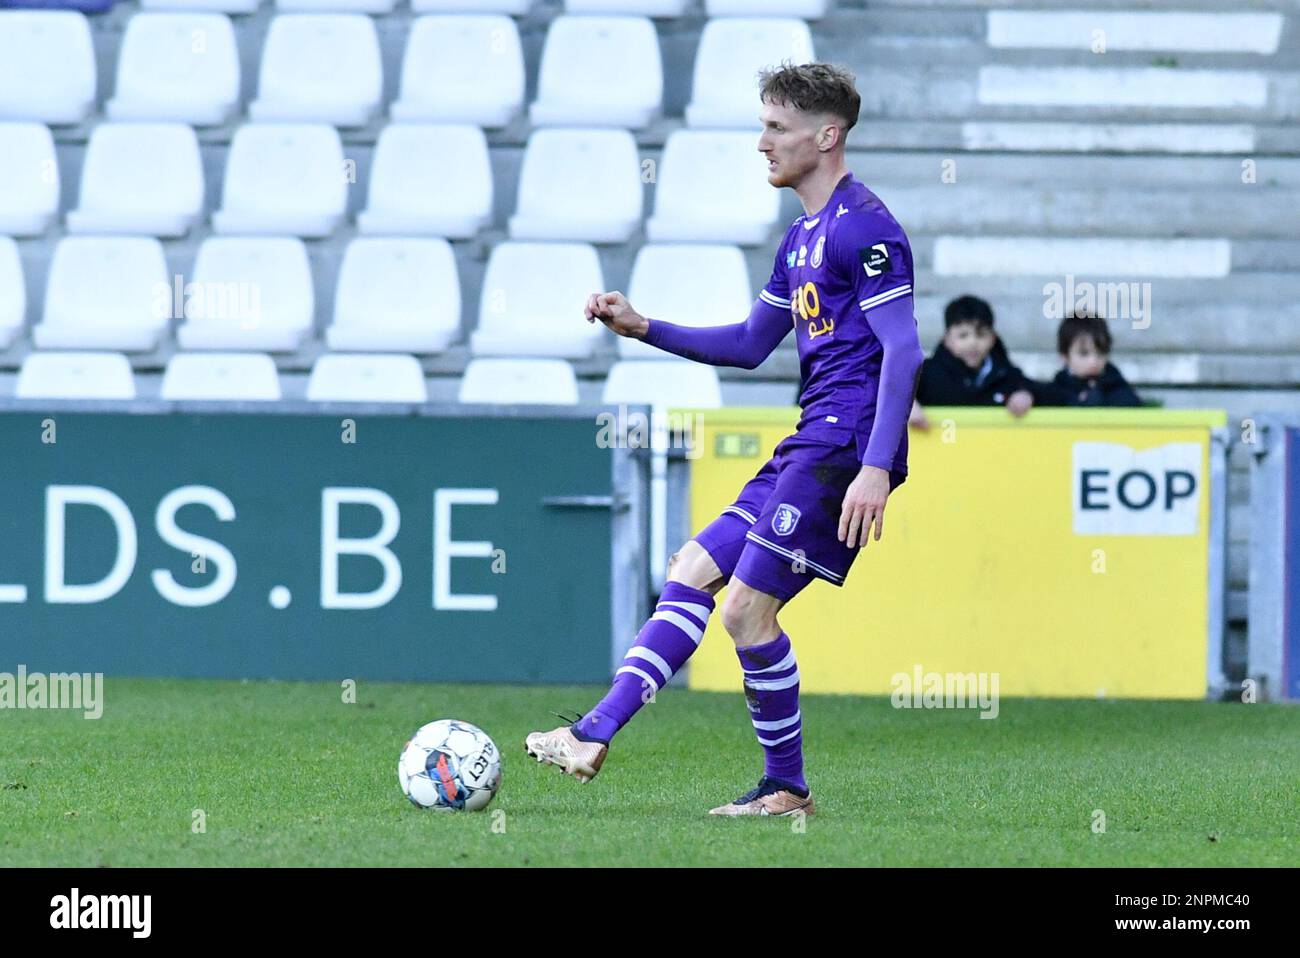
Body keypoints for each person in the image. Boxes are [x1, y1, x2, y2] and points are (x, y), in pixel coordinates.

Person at [524, 62, 925, 817]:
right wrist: (643, 328)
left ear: (827, 136)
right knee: (694, 566)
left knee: (745, 611)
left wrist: (876, 468)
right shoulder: (802, 236)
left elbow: (903, 350)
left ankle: (785, 788)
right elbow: (748, 343)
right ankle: (594, 733)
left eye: (777, 128)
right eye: (764, 125)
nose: (762, 143)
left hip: (843, 448)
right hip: (811, 438)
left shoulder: (865, 226)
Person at [908, 295, 1036, 430]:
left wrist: (1026, 396)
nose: (972, 343)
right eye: (963, 335)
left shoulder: (1008, 375)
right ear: (946, 339)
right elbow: (889, 387)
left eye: (981, 335)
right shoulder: (926, 374)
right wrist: (905, 404)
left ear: (993, 338)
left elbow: (1046, 393)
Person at [1036, 312, 1143, 407]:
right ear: (1065, 356)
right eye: (1084, 353)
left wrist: (1099, 399)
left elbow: (1132, 402)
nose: (1093, 361)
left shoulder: (1116, 384)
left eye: (1101, 352)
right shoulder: (1056, 390)